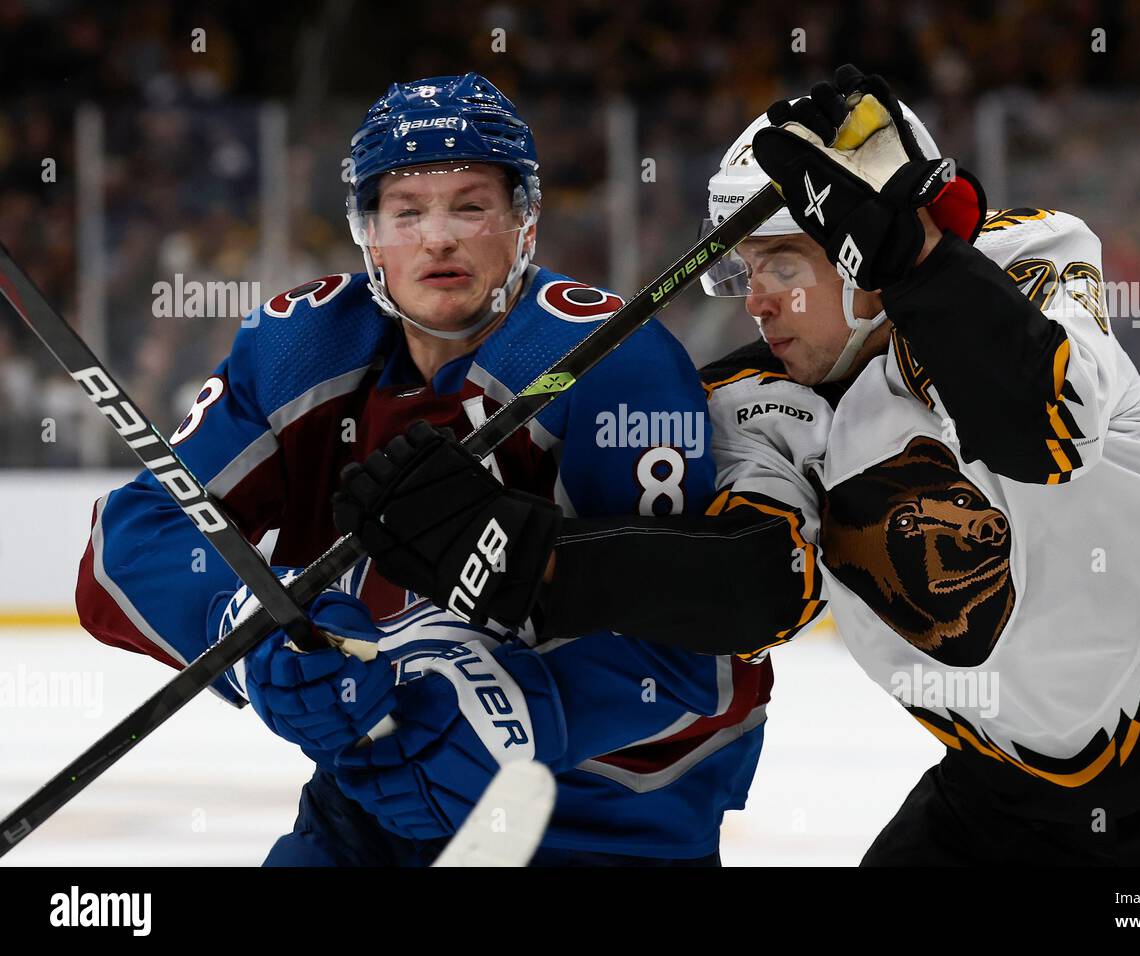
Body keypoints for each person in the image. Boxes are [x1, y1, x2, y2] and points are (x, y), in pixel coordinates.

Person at [339, 67, 1140, 865]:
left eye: (783, 263)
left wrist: (912, 252)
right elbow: (754, 587)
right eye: (741, 271)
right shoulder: (766, 403)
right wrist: (525, 554)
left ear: (862, 249)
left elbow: (1042, 426)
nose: (755, 301)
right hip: (1016, 799)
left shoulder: (1017, 261)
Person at [75, 73, 772, 866]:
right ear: (367, 231)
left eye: (471, 205)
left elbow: (705, 650)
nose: (438, 236)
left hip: (605, 819)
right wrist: (252, 628)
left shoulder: (611, 362)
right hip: (369, 803)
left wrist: (516, 708)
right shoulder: (301, 348)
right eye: (406, 211)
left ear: (524, 221)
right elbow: (128, 542)